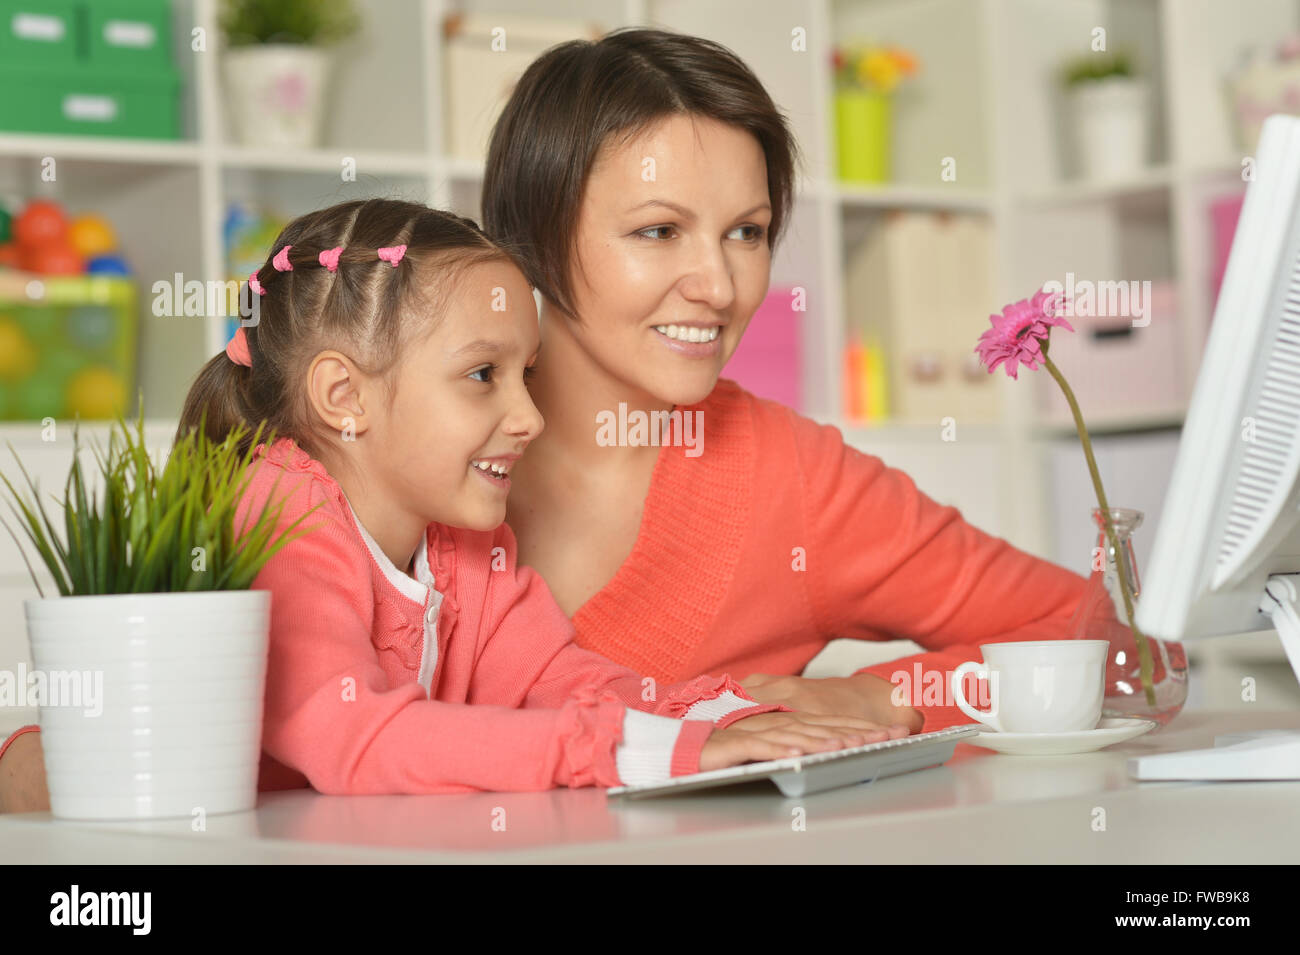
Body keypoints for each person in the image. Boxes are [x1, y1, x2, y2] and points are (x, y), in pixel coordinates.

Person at [0, 199, 906, 808]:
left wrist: (737, 720)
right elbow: (355, 739)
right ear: (343, 396)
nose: (529, 414)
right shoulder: (276, 514)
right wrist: (641, 752)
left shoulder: (468, 551)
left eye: (527, 373)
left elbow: (571, 684)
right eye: (483, 376)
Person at [482, 28, 1090, 729]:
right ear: (532, 233)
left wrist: (889, 697)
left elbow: (1107, 634)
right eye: (658, 232)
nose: (718, 286)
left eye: (747, 232)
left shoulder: (791, 479)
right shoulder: (413, 429)